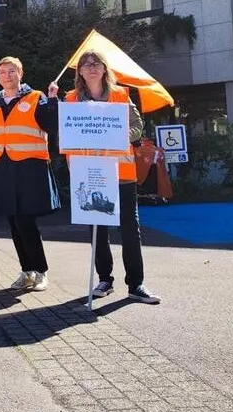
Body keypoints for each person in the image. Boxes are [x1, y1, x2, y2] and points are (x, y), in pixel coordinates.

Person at [63, 50, 161, 304]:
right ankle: (104, 280)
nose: (92, 67)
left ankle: (136, 285)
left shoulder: (120, 95)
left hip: (121, 173)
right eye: (86, 64)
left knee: (130, 230)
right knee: (97, 229)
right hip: (89, 173)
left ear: (105, 69)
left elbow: (137, 127)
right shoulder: (70, 99)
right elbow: (66, 132)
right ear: (80, 72)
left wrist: (116, 136)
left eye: (97, 63)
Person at [0, 56, 60, 292]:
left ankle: (40, 272)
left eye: (12, 71)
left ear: (20, 73)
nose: (7, 75)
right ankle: (27, 272)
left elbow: (52, 127)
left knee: (25, 220)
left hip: (28, 169)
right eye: (2, 71)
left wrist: (53, 100)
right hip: (0, 170)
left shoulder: (37, 98)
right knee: (13, 221)